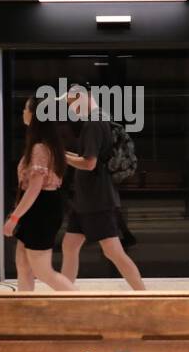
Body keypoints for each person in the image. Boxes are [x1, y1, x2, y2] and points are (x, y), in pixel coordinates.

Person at [60, 87, 147, 290]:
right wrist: (63, 154)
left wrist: (61, 156)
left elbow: (89, 163)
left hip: (96, 200)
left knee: (113, 252)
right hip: (86, 200)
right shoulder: (99, 120)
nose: (71, 109)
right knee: (70, 246)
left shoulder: (94, 124)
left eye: (71, 103)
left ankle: (143, 296)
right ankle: (65, 296)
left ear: (82, 98)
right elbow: (88, 160)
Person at [4, 96, 76, 292]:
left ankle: (84, 307)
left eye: (26, 108)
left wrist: (14, 217)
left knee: (43, 271)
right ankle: (25, 314)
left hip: (41, 209)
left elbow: (35, 188)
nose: (23, 112)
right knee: (24, 266)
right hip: (39, 208)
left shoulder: (39, 148)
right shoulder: (46, 145)